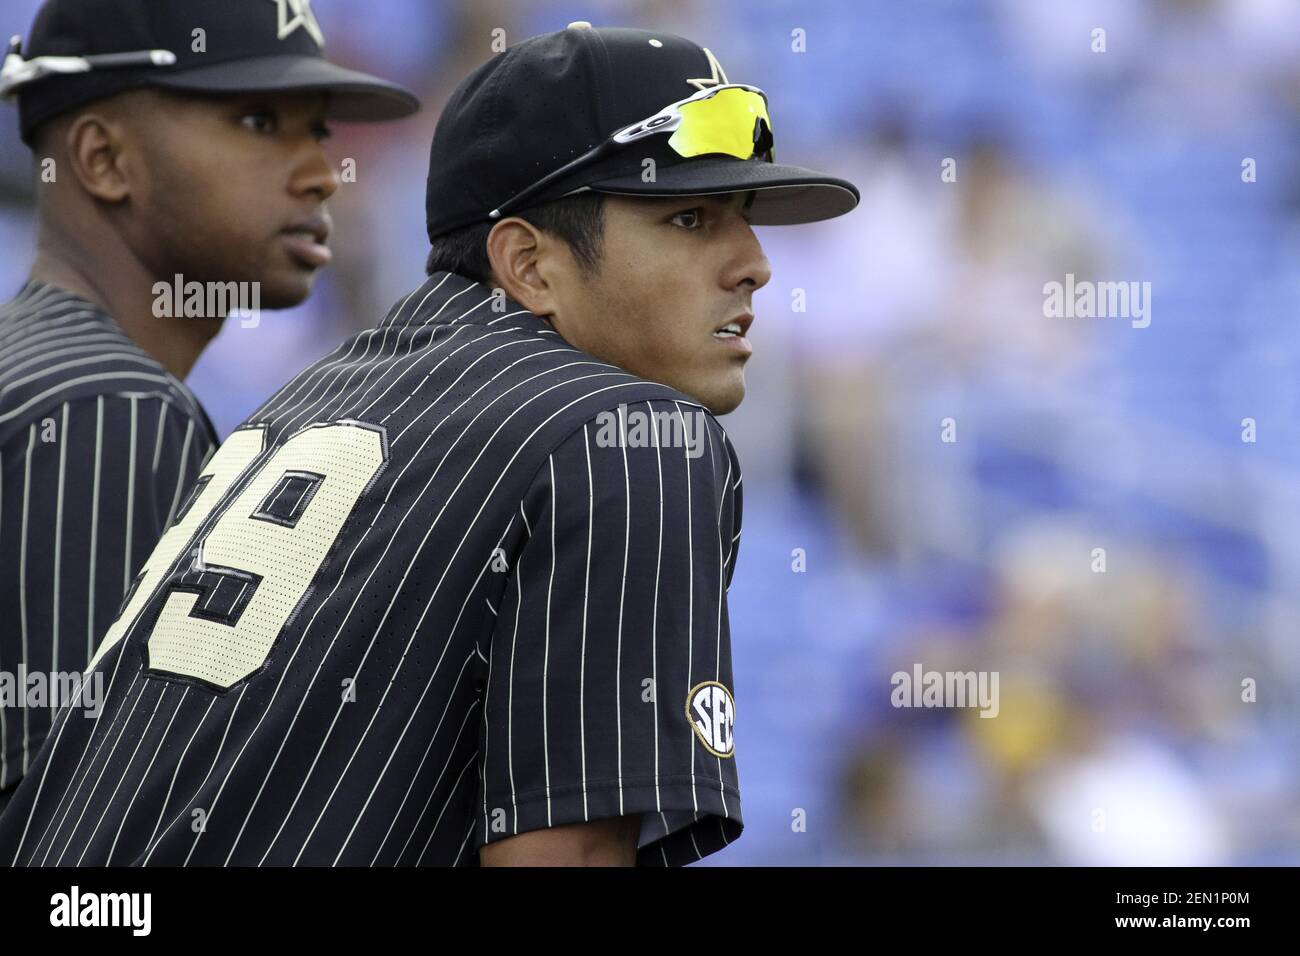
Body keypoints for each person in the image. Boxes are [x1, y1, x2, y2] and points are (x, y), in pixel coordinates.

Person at [0, 22, 857, 866]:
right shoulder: (626, 435)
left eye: (743, 217)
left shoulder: (301, 402)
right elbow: (571, 857)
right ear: (529, 263)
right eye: (690, 220)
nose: (754, 262)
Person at [0, 0, 417, 813]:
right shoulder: (108, 406)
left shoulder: (50, 370)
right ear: (103, 158)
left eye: (319, 129)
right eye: (261, 121)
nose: (322, 172)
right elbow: (70, 833)